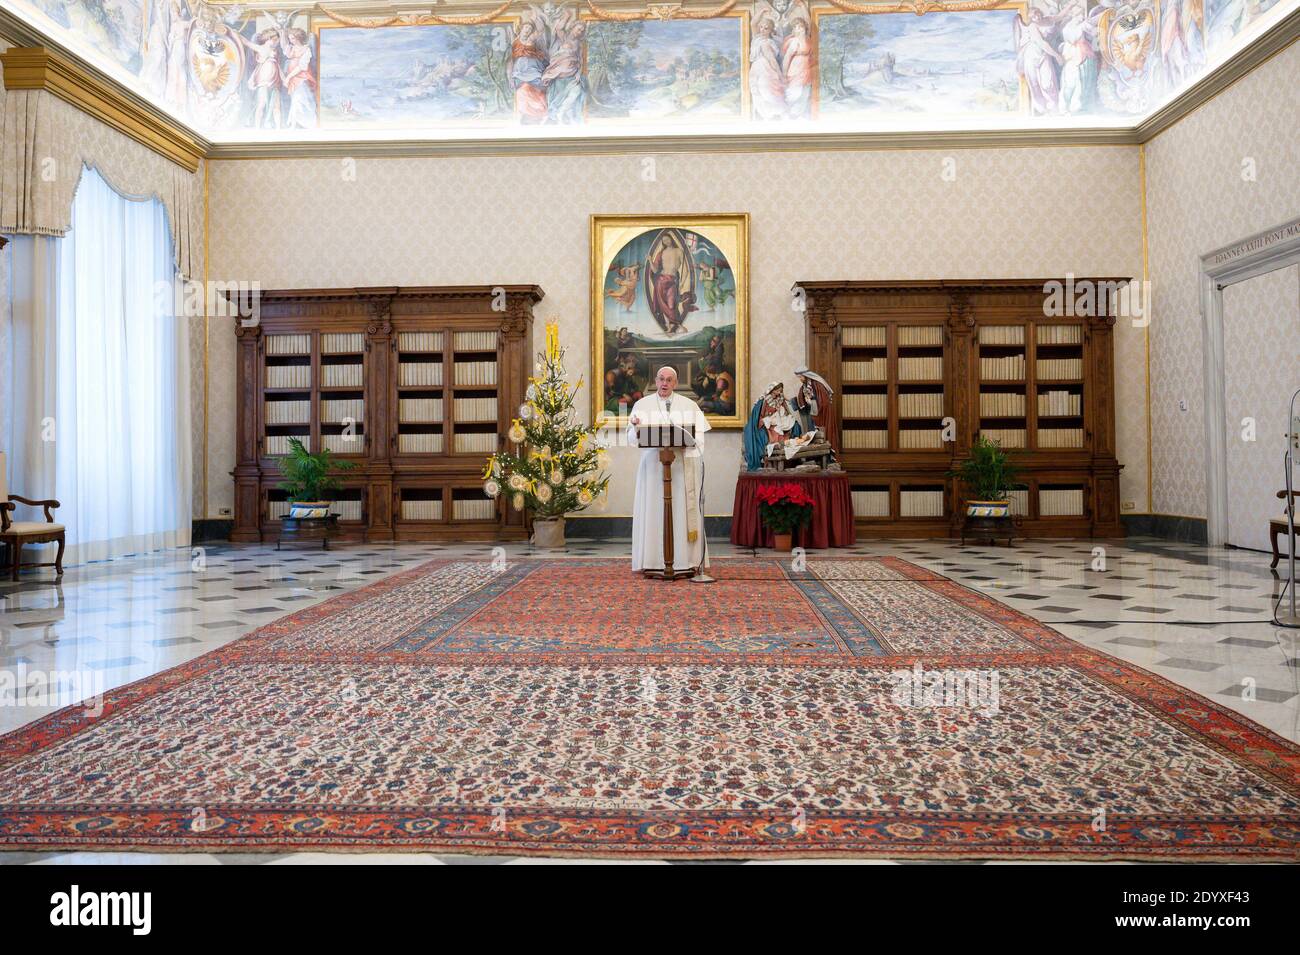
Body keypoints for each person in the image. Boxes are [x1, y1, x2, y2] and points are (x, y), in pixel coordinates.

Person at [627, 367, 711, 574]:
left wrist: (687, 442)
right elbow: (630, 438)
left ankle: (686, 561)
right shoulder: (642, 405)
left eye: (669, 380)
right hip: (653, 470)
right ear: (656, 381)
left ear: (676, 382)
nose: (664, 383)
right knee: (653, 511)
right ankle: (653, 561)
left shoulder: (689, 405)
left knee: (681, 512)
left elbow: (700, 437)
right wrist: (636, 429)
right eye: (661, 379)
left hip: (681, 468)